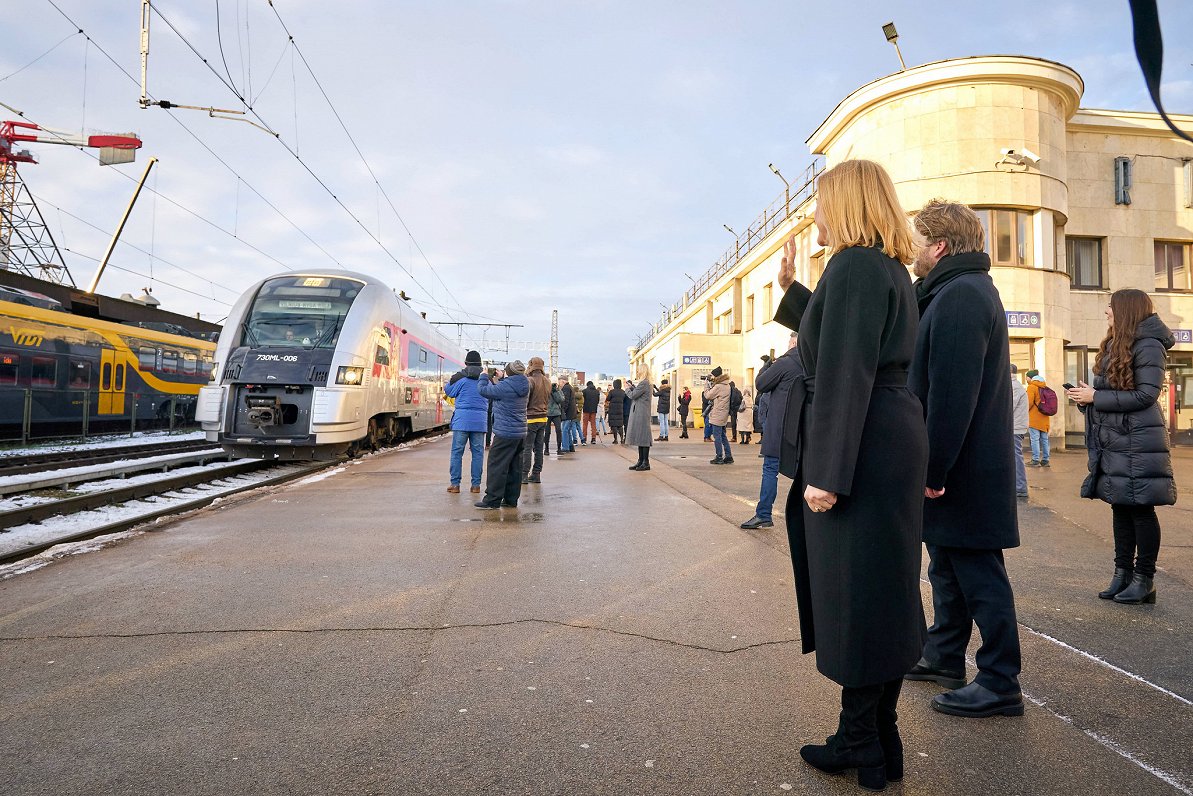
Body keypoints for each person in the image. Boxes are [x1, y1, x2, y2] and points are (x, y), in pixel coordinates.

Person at [772, 159, 927, 791]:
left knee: (857, 594)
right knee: (880, 589)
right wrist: (793, 289)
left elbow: (844, 368)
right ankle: (877, 737)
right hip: (885, 436)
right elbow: (844, 334)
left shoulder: (855, 265)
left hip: (861, 443)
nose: (815, 212)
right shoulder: (881, 267)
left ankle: (862, 741)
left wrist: (828, 473)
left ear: (845, 203)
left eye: (820, 201)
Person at [904, 199, 1024, 720]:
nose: (909, 249)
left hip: (962, 469)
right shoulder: (951, 291)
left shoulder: (961, 296)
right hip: (959, 465)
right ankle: (944, 656)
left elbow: (953, 394)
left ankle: (1000, 681)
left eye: (915, 240)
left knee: (979, 574)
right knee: (948, 568)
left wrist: (933, 469)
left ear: (939, 246)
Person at [1067, 289, 1176, 605]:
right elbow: (1115, 392)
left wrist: (1096, 397)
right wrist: (1087, 397)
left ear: (1126, 310)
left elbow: (1145, 395)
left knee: (1141, 509)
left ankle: (1144, 579)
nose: (1107, 312)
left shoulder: (1149, 346)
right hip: (1117, 441)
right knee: (1120, 506)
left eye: (1111, 307)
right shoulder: (1117, 343)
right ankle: (1122, 574)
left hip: (1139, 441)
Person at [741, 332, 804, 530]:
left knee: (770, 469)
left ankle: (764, 514)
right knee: (805, 473)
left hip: (780, 428)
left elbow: (761, 383)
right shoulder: (814, 362)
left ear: (793, 342)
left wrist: (767, 364)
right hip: (803, 429)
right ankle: (808, 518)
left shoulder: (785, 362)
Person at [475, 361, 530, 509]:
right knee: (514, 467)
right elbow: (506, 388)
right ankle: (511, 499)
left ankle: (492, 500)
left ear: (508, 373)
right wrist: (504, 377)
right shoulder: (525, 384)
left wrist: (484, 376)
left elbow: (483, 390)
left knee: (496, 466)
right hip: (520, 433)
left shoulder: (505, 386)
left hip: (505, 433)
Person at [444, 350, 487, 494]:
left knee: (457, 452)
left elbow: (449, 391)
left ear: (466, 363)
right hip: (479, 422)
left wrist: (452, 380)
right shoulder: (485, 381)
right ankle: (476, 486)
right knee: (478, 454)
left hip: (462, 421)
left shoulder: (461, 380)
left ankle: (455, 484)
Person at [521, 357, 551, 484]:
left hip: (531, 418)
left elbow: (526, 401)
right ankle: (536, 474)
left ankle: (524, 474)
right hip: (543, 418)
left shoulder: (530, 380)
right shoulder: (547, 381)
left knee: (527, 448)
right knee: (539, 448)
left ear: (531, 366)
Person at [625, 364, 654, 470]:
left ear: (642, 371)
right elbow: (638, 393)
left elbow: (633, 395)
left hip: (641, 413)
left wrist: (627, 389)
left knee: (643, 437)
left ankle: (645, 462)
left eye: (638, 370)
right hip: (641, 412)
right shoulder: (646, 383)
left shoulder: (644, 383)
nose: (637, 372)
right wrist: (632, 387)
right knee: (641, 436)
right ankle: (641, 461)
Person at [705, 367, 733, 464]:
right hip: (723, 413)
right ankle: (728, 456)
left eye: (712, 376)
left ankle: (719, 457)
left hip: (718, 414)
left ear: (716, 376)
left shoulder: (719, 386)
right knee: (722, 435)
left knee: (717, 436)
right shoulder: (727, 385)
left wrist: (706, 384)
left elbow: (708, 395)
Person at [1025, 370, 1052, 466]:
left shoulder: (1031, 387)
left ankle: (1035, 459)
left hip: (1034, 418)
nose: (1026, 379)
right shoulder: (1044, 386)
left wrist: (1024, 412)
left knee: (1035, 439)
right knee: (1044, 439)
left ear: (1030, 378)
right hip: (1045, 417)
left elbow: (1028, 403)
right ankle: (1046, 460)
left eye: (1027, 377)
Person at [1011, 364, 1029, 500]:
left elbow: (1008, 406)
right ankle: (1017, 486)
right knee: (1013, 456)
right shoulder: (1014, 385)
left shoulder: (1014, 386)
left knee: (1016, 456)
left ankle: (1021, 487)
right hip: (1016, 426)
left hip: (1015, 427)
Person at [558, 377, 577, 454]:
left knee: (565, 430)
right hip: (572, 412)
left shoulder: (565, 388)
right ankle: (570, 446)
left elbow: (565, 401)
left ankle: (565, 447)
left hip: (568, 413)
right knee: (568, 430)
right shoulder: (570, 387)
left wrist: (563, 411)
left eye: (559, 382)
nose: (559, 384)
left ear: (563, 381)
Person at [546, 380, 564, 455]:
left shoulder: (558, 390)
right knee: (547, 432)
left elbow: (561, 400)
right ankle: (546, 449)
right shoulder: (546, 389)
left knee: (559, 430)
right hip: (547, 413)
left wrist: (555, 391)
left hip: (556, 413)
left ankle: (559, 448)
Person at [606, 379, 627, 444]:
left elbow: (608, 399)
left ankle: (615, 440)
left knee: (614, 425)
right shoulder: (623, 392)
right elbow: (624, 399)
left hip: (613, 410)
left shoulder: (612, 391)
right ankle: (622, 439)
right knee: (620, 425)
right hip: (620, 409)